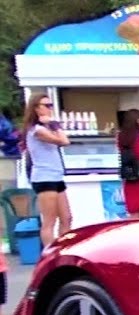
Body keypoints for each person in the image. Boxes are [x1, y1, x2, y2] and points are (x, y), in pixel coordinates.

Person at [22, 93, 72, 247]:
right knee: (50, 220)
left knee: (67, 217)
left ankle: (62, 248)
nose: (50, 109)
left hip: (56, 176)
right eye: (47, 106)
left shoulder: (45, 128)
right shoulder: (36, 130)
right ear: (36, 108)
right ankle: (50, 254)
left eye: (51, 105)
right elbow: (64, 141)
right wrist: (54, 124)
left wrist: (51, 124)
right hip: (44, 177)